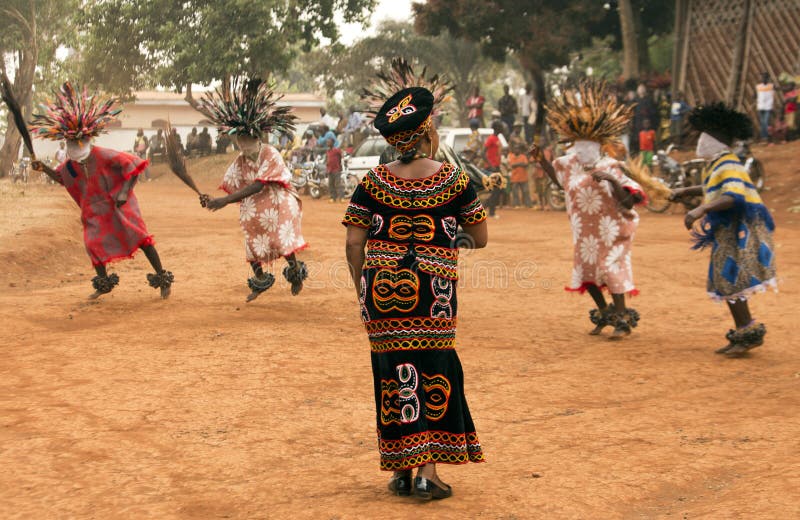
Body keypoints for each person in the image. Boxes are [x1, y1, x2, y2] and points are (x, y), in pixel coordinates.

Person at [343, 86, 488, 501]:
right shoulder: (454, 180)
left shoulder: (372, 181)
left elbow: (354, 245)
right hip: (433, 288)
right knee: (434, 365)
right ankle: (428, 472)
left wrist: (362, 290)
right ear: (427, 131)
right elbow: (480, 236)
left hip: (381, 287)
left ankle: (403, 471)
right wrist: (445, 239)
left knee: (394, 370)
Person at [29, 82, 173, 299]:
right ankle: (103, 284)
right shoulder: (70, 164)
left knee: (141, 239)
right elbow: (61, 178)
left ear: (87, 139)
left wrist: (124, 192)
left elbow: (133, 165)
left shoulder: (103, 154)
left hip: (118, 206)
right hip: (93, 212)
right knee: (93, 244)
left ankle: (162, 277)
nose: (76, 147)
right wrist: (44, 168)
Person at [531, 82, 646, 339]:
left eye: (588, 145)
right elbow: (559, 182)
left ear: (598, 145)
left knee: (609, 269)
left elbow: (629, 201)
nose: (581, 150)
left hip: (612, 230)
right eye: (578, 145)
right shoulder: (569, 163)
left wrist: (612, 180)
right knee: (586, 271)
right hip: (584, 232)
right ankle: (605, 312)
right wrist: (541, 161)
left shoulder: (611, 165)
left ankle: (622, 319)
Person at [670, 103, 776, 357]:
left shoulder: (728, 164)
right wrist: (685, 192)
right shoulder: (719, 164)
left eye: (703, 137)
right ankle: (744, 332)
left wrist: (700, 210)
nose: (699, 142)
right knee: (727, 281)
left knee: (732, 282)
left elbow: (733, 196)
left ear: (715, 140)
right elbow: (711, 188)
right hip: (729, 230)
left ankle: (747, 333)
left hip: (741, 231)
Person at [200, 79, 308, 301]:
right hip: (256, 206)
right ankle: (260, 281)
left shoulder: (270, 153)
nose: (242, 143)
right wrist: (211, 199)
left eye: (245, 139)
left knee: (280, 241)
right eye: (239, 139)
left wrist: (225, 201)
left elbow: (260, 184)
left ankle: (295, 273)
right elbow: (230, 182)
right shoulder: (240, 160)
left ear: (256, 138)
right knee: (252, 242)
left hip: (279, 201)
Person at [483, 121, 504, 218]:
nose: (503, 128)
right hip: (492, 167)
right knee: (496, 190)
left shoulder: (497, 138)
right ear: (497, 128)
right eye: (501, 127)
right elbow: (483, 153)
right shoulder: (491, 138)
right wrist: (490, 165)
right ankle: (491, 212)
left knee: (497, 189)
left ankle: (484, 208)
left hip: (497, 166)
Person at [632, 83, 657, 154]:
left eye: (643, 88)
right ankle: (639, 152)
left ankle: (650, 151)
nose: (641, 89)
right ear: (637, 90)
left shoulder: (649, 99)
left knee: (648, 137)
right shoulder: (635, 100)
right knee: (639, 137)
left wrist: (648, 112)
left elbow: (653, 111)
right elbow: (632, 111)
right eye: (640, 88)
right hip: (638, 121)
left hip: (647, 121)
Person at [508, 141, 532, 208]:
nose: (517, 150)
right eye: (515, 149)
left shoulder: (523, 156)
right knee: (515, 192)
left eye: (518, 149)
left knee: (526, 191)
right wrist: (520, 164)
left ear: (520, 150)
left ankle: (528, 204)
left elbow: (526, 164)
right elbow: (512, 165)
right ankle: (516, 204)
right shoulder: (511, 156)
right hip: (514, 177)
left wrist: (517, 164)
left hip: (523, 177)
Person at [756, 72, 775, 142]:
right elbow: (754, 95)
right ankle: (764, 137)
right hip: (760, 107)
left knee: (766, 121)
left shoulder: (771, 86)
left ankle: (765, 137)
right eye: (763, 77)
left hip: (768, 107)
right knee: (762, 122)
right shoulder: (758, 87)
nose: (764, 79)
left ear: (768, 78)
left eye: (765, 77)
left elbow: (778, 89)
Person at [325, 138, 343, 203]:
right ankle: (333, 197)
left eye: (329, 142)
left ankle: (341, 197)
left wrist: (340, 164)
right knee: (331, 184)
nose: (328, 143)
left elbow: (341, 156)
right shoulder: (328, 151)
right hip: (330, 170)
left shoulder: (336, 150)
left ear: (333, 143)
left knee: (338, 184)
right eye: (327, 142)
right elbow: (327, 160)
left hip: (336, 169)